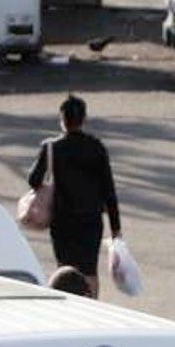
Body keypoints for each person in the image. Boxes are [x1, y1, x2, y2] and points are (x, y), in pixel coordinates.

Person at [26, 94, 120, 298]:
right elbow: (109, 190)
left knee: (65, 268)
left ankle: (67, 303)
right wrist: (115, 229)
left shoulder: (52, 148)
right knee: (89, 269)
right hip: (91, 220)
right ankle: (92, 303)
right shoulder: (96, 147)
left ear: (62, 119)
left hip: (63, 220)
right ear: (84, 120)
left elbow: (33, 179)